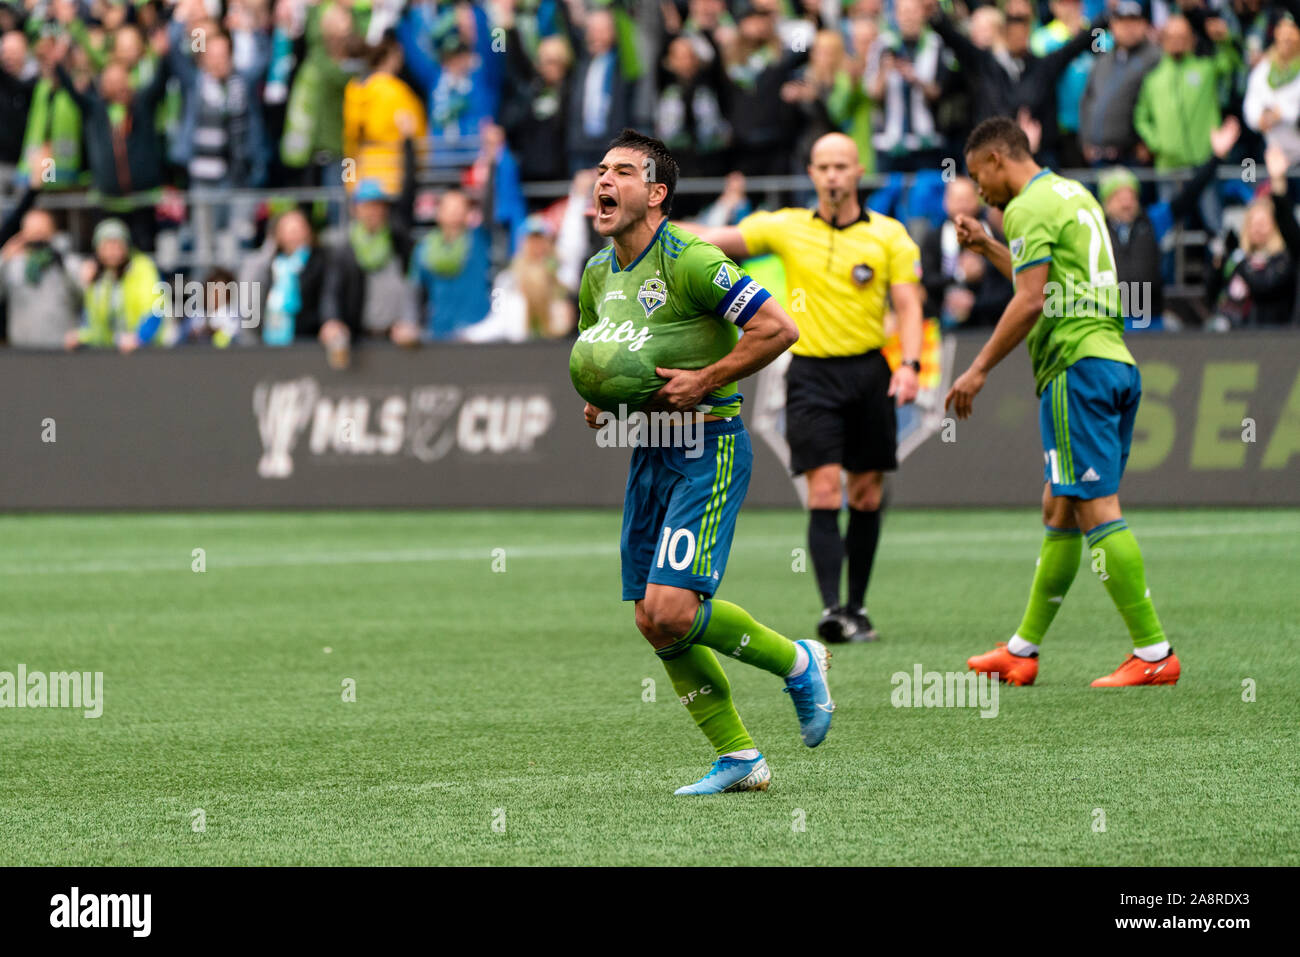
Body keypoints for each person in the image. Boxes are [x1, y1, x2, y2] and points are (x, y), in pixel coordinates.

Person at [573, 128, 832, 796]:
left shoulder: (691, 258)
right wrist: (603, 400)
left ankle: (798, 660)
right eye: (601, 168)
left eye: (623, 171)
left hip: (705, 444)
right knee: (649, 617)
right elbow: (600, 353)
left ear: (655, 194)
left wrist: (706, 377)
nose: (604, 179)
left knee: (674, 606)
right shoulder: (598, 273)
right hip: (649, 450)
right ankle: (740, 757)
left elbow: (778, 328)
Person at [946, 116, 1179, 688]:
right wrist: (988, 245)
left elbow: (1029, 303)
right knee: (1061, 504)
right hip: (1113, 361)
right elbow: (1048, 285)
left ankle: (1153, 652)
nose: (980, 191)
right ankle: (1023, 650)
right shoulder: (1073, 193)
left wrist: (976, 370)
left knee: (1097, 506)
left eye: (979, 176)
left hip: (1075, 369)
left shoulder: (1026, 204)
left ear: (999, 160)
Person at [681, 132, 924, 645]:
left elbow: (907, 305)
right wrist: (651, 227)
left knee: (864, 492)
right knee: (822, 488)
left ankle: (857, 606)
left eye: (842, 165)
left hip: (869, 372)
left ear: (859, 171)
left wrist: (911, 363)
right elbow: (713, 238)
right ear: (811, 174)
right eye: (823, 166)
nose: (833, 175)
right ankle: (832, 609)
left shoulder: (890, 236)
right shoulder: (786, 227)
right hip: (811, 375)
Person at [64, 217, 167, 352]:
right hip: (111, 355)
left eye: (117, 245)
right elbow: (95, 326)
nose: (112, 251)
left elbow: (155, 310)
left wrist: (140, 337)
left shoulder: (143, 268)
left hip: (146, 351)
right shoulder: (97, 278)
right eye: (106, 246)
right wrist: (80, 337)